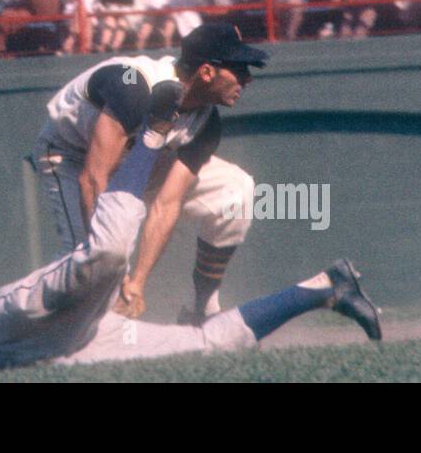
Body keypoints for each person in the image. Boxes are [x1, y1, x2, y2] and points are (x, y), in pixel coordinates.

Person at [0, 108, 380, 377]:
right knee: (208, 348)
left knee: (105, 254)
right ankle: (326, 287)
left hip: (6, 325)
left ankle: (149, 134)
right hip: (62, 346)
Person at [29, 23, 265, 326]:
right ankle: (25, 319)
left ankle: (199, 310)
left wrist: (137, 282)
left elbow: (167, 204)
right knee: (99, 257)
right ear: (207, 72)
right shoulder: (133, 86)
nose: (248, 79)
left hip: (143, 157)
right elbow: (92, 178)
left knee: (235, 189)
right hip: (70, 156)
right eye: (240, 69)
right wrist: (118, 272)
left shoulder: (207, 123)